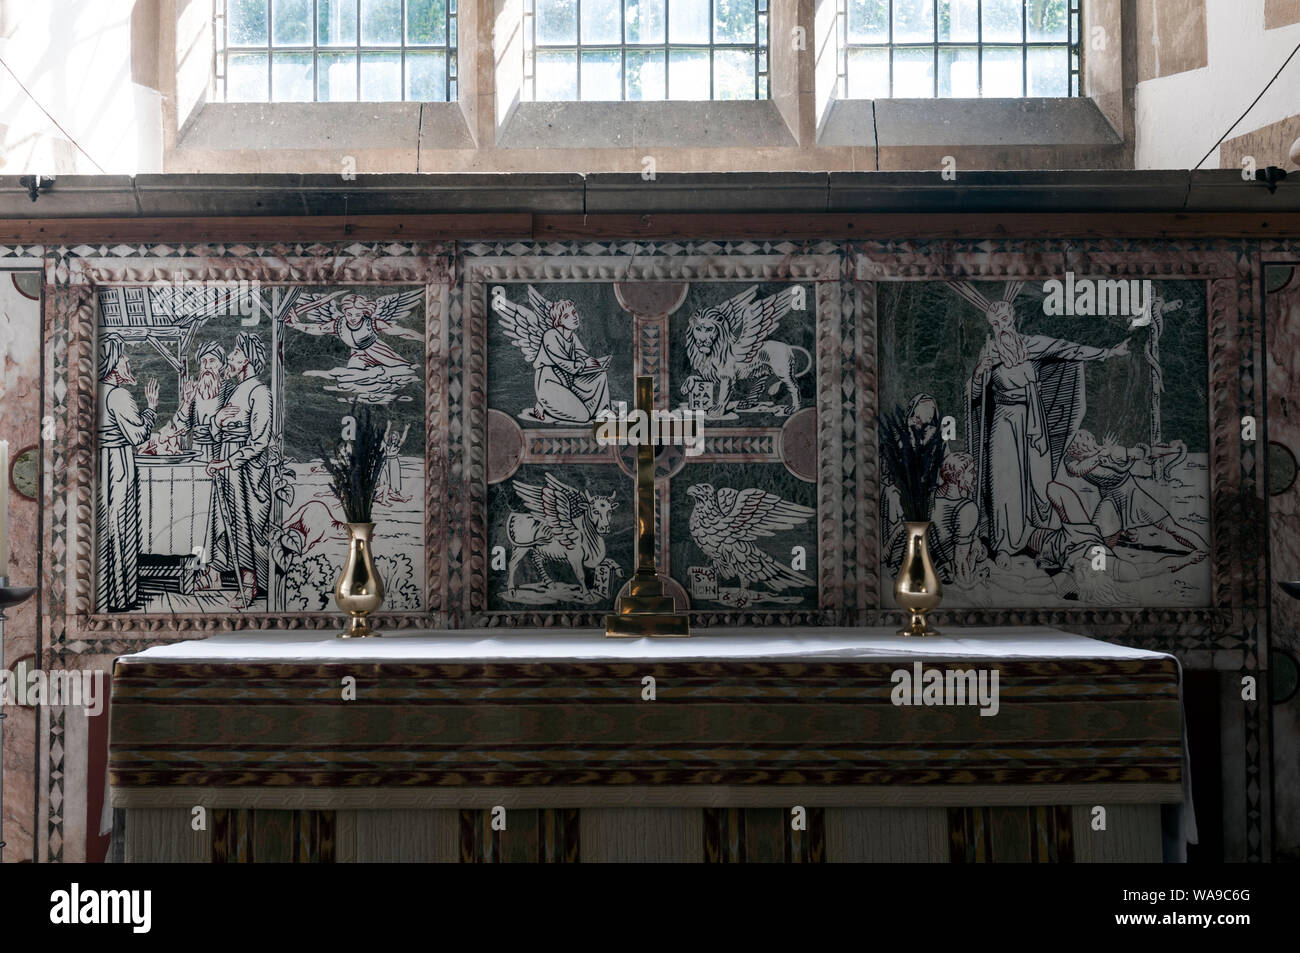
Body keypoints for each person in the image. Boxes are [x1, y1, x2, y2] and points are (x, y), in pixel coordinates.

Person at [967, 299, 1129, 567]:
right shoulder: (990, 353)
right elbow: (973, 394)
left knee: (1041, 483)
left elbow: (1068, 350)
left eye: (1005, 320)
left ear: (1014, 317)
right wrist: (979, 371)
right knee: (1005, 483)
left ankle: (1039, 534)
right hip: (1005, 423)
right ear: (991, 325)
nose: (1002, 327)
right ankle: (1005, 544)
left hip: (1034, 421)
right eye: (995, 324)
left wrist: (1107, 353)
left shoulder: (1032, 344)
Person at [199, 332, 273, 608]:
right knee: (224, 520)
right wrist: (217, 421)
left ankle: (250, 584)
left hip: (245, 471)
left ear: (248, 359)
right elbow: (217, 432)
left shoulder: (260, 392)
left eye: (235, 354)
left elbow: (260, 441)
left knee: (244, 525)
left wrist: (228, 462)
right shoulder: (234, 390)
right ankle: (218, 573)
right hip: (228, 464)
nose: (229, 359)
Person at [1064, 429, 1207, 565]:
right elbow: (1078, 470)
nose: (1094, 444)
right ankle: (1098, 569)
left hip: (1132, 495)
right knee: (1099, 534)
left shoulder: (1113, 452)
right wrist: (1103, 452)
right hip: (1110, 499)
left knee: (1170, 527)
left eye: (1090, 439)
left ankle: (1204, 549)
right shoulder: (1073, 462)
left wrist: (1173, 450)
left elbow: (1144, 453)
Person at [96, 339, 158, 611]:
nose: (128, 363)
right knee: (119, 526)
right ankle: (121, 596)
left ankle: (103, 594)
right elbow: (138, 435)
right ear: (112, 363)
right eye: (123, 358)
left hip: (100, 463)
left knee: (104, 527)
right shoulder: (118, 394)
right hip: (118, 463)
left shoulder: (97, 391)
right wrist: (152, 408)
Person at [529, 299, 611, 423]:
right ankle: (543, 404)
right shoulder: (550, 336)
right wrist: (584, 363)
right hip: (550, 386)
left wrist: (596, 363)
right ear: (559, 321)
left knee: (601, 375)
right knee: (583, 416)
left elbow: (582, 355)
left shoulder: (572, 337)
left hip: (568, 382)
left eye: (573, 312)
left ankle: (603, 412)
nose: (574, 317)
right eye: (567, 316)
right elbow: (566, 365)